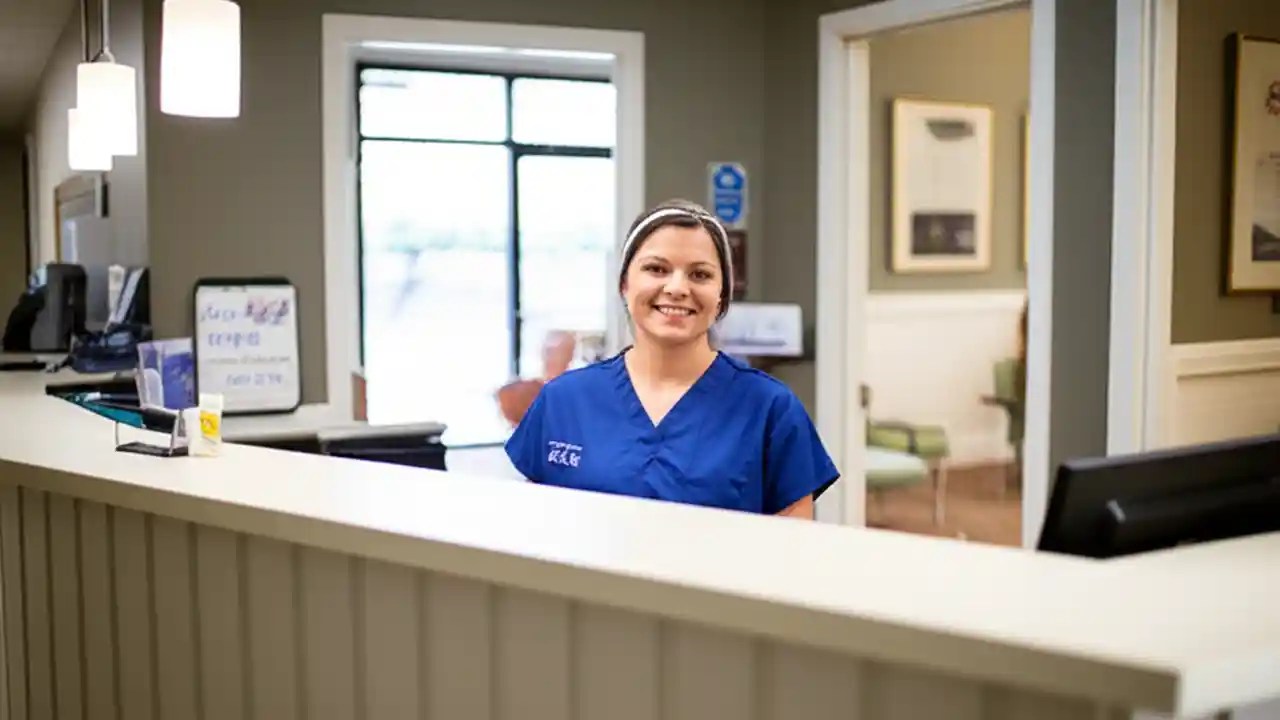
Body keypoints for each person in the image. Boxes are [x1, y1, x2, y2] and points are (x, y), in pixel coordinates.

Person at [504, 199, 839, 519]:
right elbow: (537, 535)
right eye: (656, 269)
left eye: (700, 275)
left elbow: (791, 555)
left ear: (722, 294)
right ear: (624, 284)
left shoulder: (771, 410)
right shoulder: (563, 402)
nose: (677, 287)